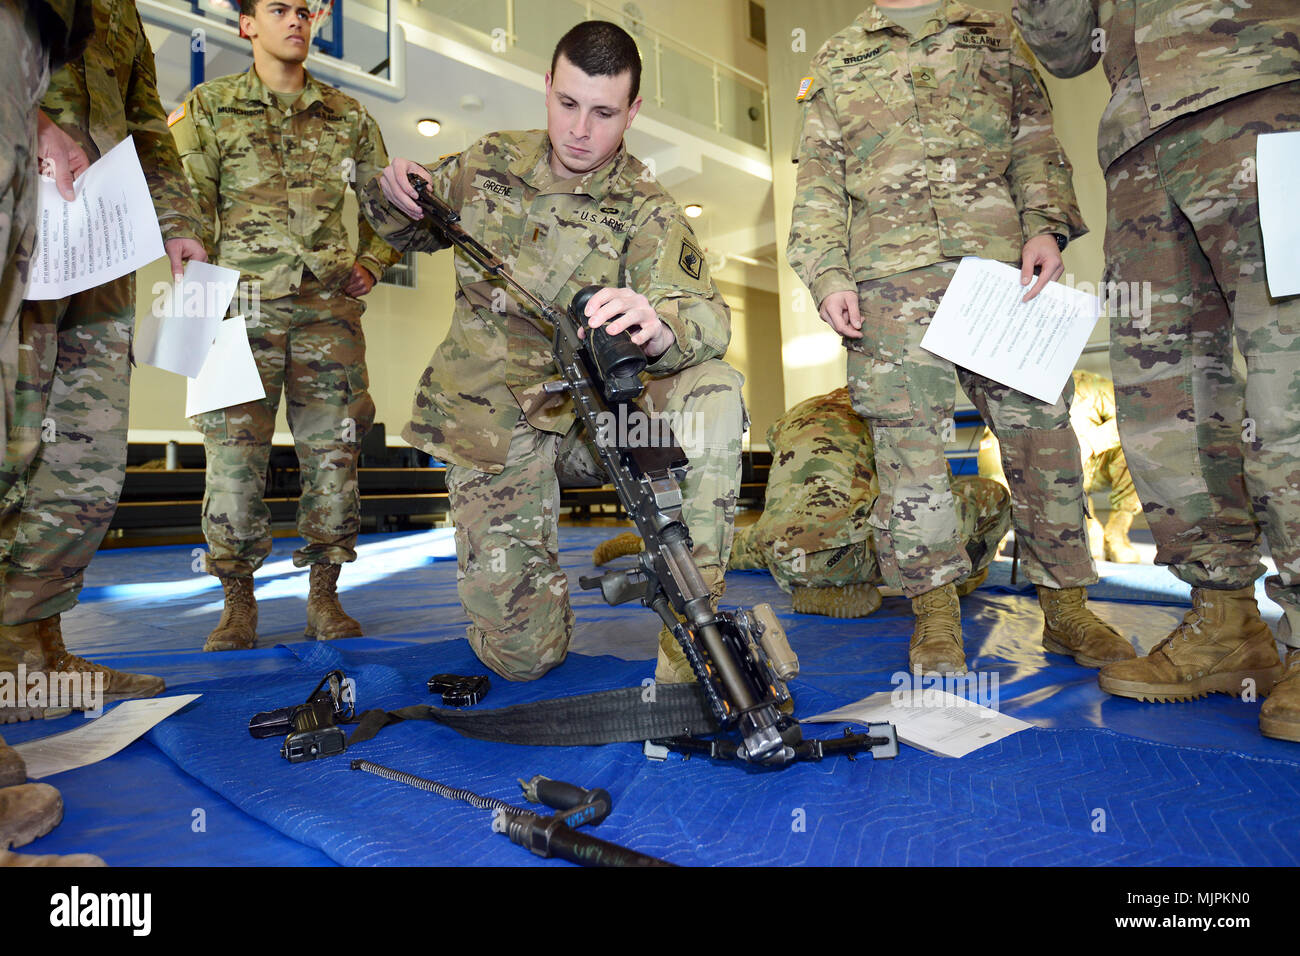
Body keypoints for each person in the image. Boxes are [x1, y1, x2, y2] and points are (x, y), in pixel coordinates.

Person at [362, 20, 745, 684]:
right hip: (496, 426)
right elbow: (404, 226)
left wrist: (659, 327)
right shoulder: (490, 163)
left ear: (633, 112)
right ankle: (539, 605)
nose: (579, 129)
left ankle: (696, 617)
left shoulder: (646, 207)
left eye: (603, 113)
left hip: (595, 423)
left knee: (714, 386)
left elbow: (710, 317)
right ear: (546, 86)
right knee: (524, 660)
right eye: (567, 103)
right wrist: (390, 188)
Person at [788, 0, 1134, 676]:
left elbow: (1034, 137)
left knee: (1042, 434)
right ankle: (936, 615)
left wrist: (1044, 225)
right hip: (890, 277)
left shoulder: (994, 29)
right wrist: (828, 273)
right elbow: (820, 181)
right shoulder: (837, 54)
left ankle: (1066, 607)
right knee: (907, 451)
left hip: (1001, 267)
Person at [1014, 0, 1300, 741]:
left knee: (1290, 379)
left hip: (1268, 93)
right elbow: (1066, 47)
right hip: (1140, 146)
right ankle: (1226, 618)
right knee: (1167, 403)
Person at [0, 0, 197, 866]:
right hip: (23, 214)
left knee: (87, 463)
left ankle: (37, 646)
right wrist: (33, 122)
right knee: (12, 450)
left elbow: (151, 124)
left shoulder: (116, 16)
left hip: (102, 247)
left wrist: (182, 220)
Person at [170, 0, 401, 651]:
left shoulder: (349, 115)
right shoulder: (209, 108)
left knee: (335, 457)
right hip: (233, 311)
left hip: (327, 315)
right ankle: (237, 604)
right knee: (232, 463)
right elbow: (186, 199)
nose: (296, 18)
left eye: (305, 8)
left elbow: (387, 204)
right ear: (247, 23)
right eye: (279, 7)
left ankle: (324, 598)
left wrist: (375, 261)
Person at [596, 387, 1012, 623]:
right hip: (842, 549)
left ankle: (642, 543)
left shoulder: (797, 416)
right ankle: (962, 574)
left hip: (776, 543)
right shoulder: (889, 410)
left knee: (737, 546)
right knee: (988, 499)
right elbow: (923, 488)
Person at [979, 369, 1142, 563]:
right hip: (1049, 479)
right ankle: (1089, 528)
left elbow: (1132, 416)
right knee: (1083, 546)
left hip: (1094, 465)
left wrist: (1091, 444)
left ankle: (1117, 532)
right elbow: (996, 468)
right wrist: (995, 538)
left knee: (1135, 449)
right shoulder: (1013, 398)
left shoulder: (1090, 385)